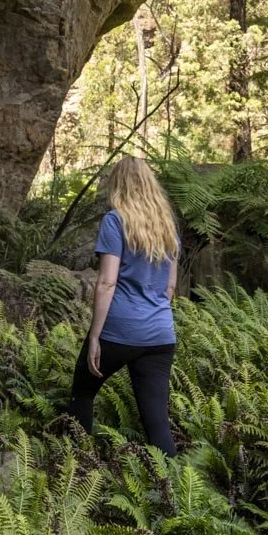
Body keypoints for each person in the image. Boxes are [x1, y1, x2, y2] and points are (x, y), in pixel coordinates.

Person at [65, 155, 180, 456]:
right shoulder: (167, 225)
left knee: (82, 394)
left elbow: (106, 282)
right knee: (157, 422)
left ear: (118, 185)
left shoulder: (115, 221)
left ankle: (79, 468)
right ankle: (178, 483)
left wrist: (94, 336)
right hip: (161, 334)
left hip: (119, 330)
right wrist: (153, 316)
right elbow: (170, 287)